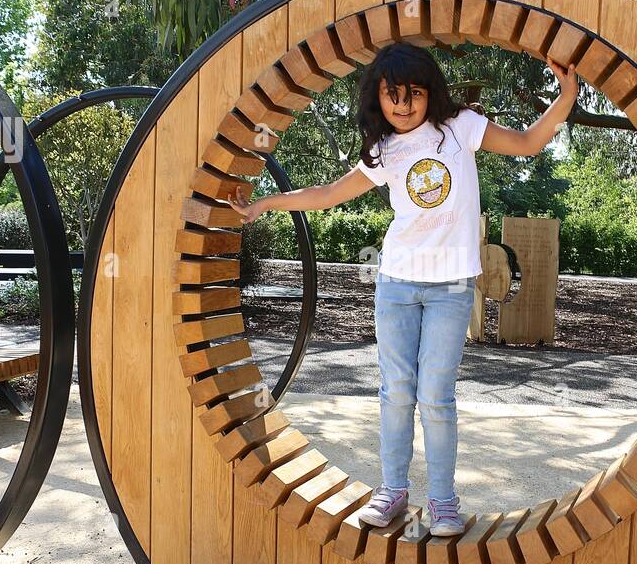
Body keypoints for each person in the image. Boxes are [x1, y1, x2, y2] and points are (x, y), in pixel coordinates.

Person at [229, 42, 577, 536]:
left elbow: (526, 143)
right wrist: (267, 203)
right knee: (396, 392)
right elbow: (329, 193)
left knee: (436, 395)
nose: (405, 104)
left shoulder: (459, 128)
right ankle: (392, 490)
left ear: (429, 92)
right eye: (394, 95)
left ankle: (442, 503)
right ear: (380, 99)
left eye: (414, 92)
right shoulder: (386, 151)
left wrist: (565, 97)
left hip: (451, 288)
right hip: (396, 284)